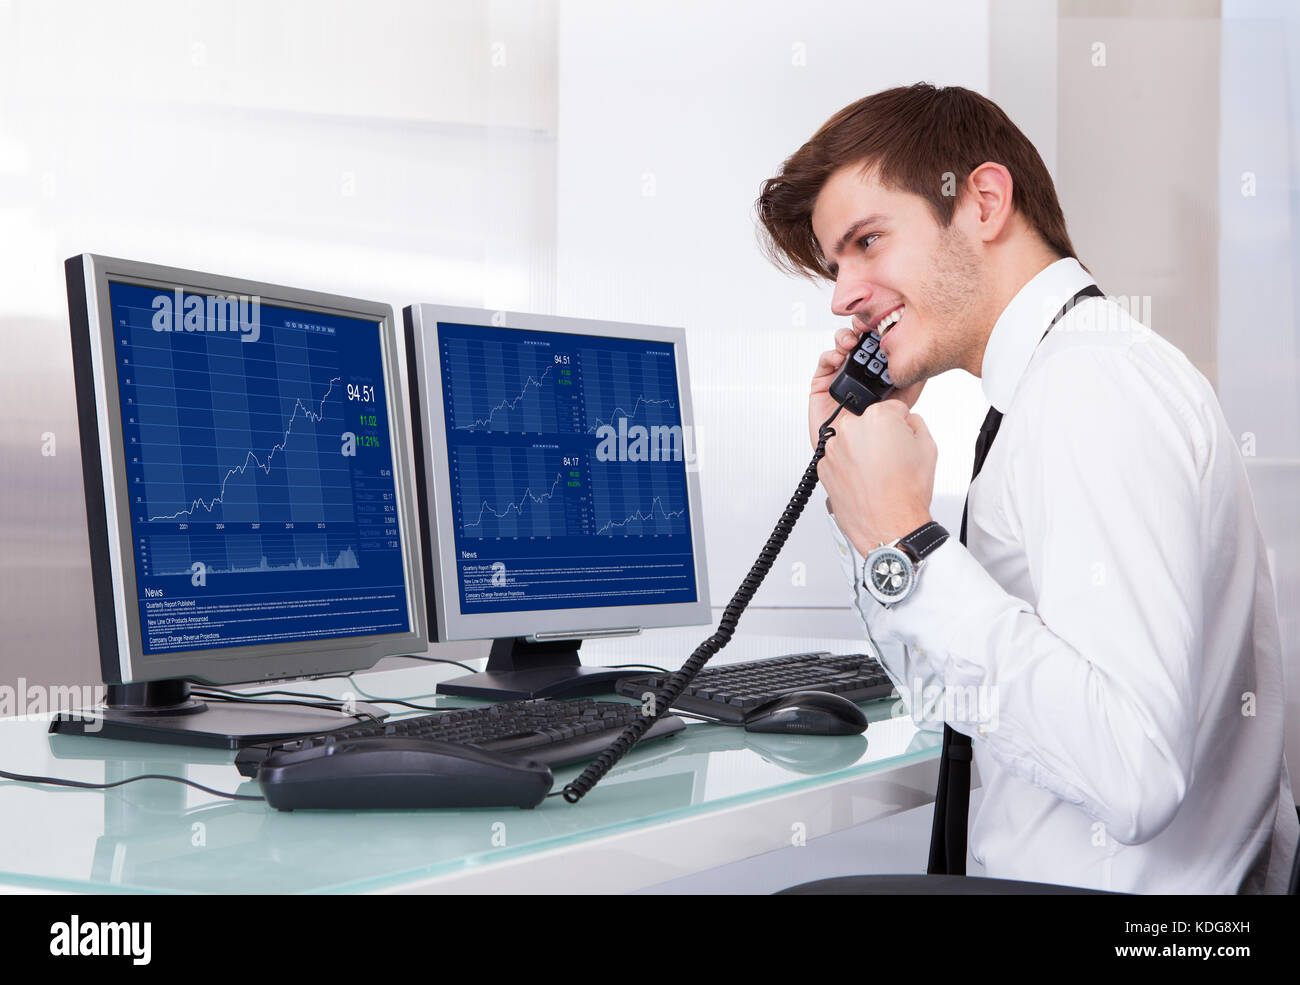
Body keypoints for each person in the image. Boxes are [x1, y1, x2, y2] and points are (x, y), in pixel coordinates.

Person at [755, 82, 1297, 893]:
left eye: (868, 242)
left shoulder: (1092, 387)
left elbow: (1134, 772)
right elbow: (944, 693)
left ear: (982, 201)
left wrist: (907, 541)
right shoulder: (1055, 380)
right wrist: (865, 508)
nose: (842, 295)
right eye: (836, 266)